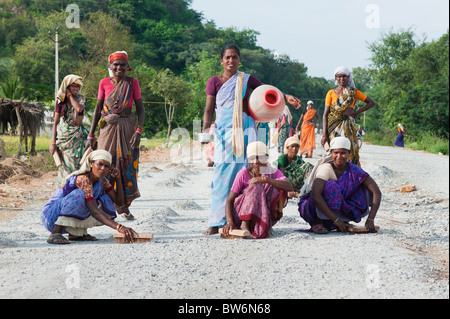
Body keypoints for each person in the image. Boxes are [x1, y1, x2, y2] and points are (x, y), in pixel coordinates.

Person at [201, 44, 301, 235]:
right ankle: (216, 221)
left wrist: (286, 96)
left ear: (239, 60)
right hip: (224, 132)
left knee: (246, 172)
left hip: (246, 130)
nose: (231, 61)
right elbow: (208, 109)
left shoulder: (246, 79)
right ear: (221, 60)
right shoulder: (214, 81)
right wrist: (206, 130)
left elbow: (267, 91)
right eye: (228, 57)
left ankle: (242, 217)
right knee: (221, 174)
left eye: (235, 57)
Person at [86, 51, 145, 220]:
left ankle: (124, 207)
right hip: (107, 129)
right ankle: (102, 206)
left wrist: (138, 131)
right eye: (115, 65)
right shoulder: (103, 82)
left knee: (127, 167)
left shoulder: (133, 83)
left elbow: (140, 109)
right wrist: (91, 135)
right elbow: (98, 109)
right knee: (103, 164)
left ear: (128, 67)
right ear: (110, 67)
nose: (119, 68)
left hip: (127, 129)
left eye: (122, 65)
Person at [41, 149, 137, 244]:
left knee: (105, 198)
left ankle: (76, 233)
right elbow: (94, 211)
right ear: (91, 163)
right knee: (79, 195)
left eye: (107, 166)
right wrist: (120, 227)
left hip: (63, 213)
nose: (103, 168)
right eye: (100, 164)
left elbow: (119, 202)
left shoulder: (102, 181)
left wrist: (118, 178)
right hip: (52, 216)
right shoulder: (83, 179)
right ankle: (55, 232)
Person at [298, 137, 382, 234]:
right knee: (330, 186)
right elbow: (315, 195)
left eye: (343, 153)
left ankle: (342, 221)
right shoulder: (326, 168)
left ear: (349, 154)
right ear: (331, 154)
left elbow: (376, 192)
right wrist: (336, 220)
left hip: (341, 209)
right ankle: (319, 222)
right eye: (336, 153)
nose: (339, 156)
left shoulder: (354, 170)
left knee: (364, 189)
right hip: (316, 209)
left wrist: (371, 219)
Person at [222, 141, 294, 239]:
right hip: (240, 214)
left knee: (277, 189)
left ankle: (261, 224)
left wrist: (266, 179)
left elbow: (289, 186)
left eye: (260, 157)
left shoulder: (272, 172)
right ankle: (245, 224)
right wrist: (230, 222)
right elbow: (230, 200)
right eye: (252, 158)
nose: (256, 161)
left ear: (266, 157)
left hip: (263, 214)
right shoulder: (243, 174)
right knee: (257, 186)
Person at [321, 67, 376, 166]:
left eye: (344, 76)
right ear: (336, 78)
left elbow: (371, 103)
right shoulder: (330, 93)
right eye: (339, 76)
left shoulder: (353, 92)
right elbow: (325, 114)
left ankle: (349, 173)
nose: (342, 79)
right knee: (334, 151)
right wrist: (324, 134)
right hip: (332, 127)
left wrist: (356, 113)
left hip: (347, 126)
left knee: (347, 150)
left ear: (348, 78)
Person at [50, 75, 88, 186]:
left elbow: (78, 109)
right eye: (73, 86)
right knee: (64, 166)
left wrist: (70, 96)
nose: (76, 89)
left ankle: (76, 189)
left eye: (77, 87)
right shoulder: (59, 101)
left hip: (77, 138)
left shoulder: (80, 98)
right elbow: (56, 122)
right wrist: (53, 143)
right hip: (63, 137)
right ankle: (64, 189)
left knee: (77, 165)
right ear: (67, 87)